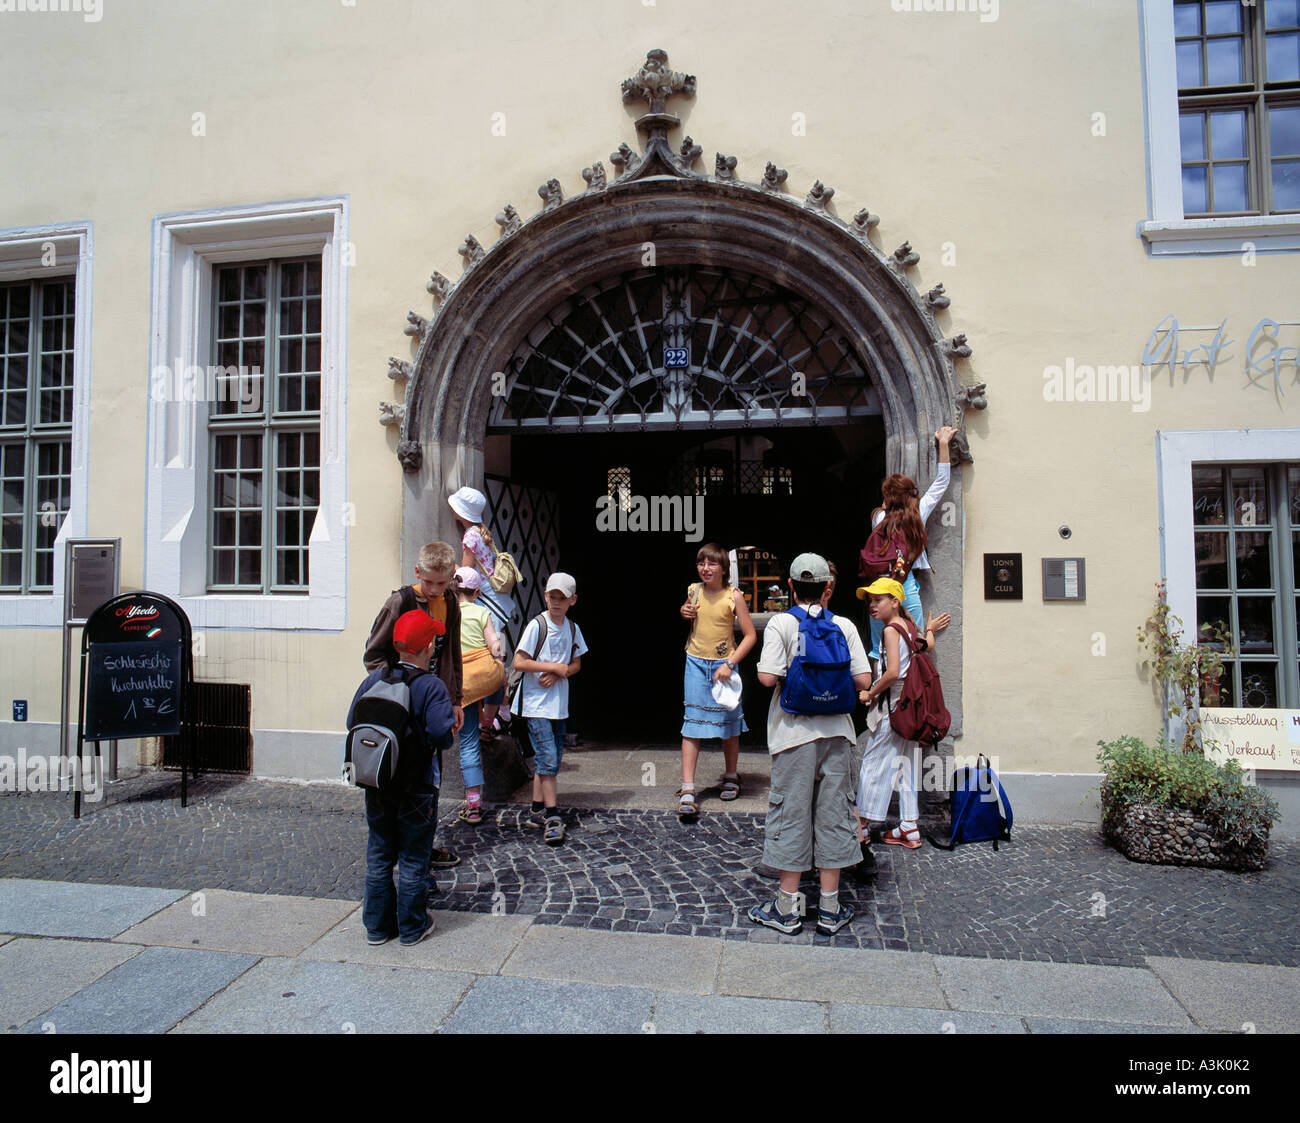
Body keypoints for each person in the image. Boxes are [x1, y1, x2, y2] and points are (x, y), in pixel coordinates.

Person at [750, 553, 874, 937]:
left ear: (789, 586)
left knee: (792, 813)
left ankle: (787, 908)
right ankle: (830, 908)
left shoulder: (782, 623)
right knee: (834, 814)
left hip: (793, 735)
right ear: (827, 588)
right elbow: (864, 679)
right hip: (837, 735)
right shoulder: (845, 625)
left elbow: (768, 678)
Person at [348, 611, 455, 946]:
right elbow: (442, 735)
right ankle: (411, 926)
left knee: (379, 853)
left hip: (377, 782)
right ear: (428, 647)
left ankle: (377, 928)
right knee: (413, 855)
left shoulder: (374, 679)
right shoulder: (431, 686)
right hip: (418, 786)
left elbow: (353, 720)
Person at [363, 541, 464, 870]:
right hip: (402, 710)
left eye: (443, 582)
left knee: (429, 781)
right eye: (430, 582)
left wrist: (456, 700)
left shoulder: (450, 601)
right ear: (418, 572)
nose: (435, 589)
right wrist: (401, 689)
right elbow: (373, 656)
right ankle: (405, 856)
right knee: (400, 781)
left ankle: (422, 847)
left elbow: (453, 654)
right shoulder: (401, 601)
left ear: (452, 578)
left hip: (433, 705)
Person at [855, 577, 951, 849]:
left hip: (894, 709)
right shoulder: (908, 626)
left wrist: (870, 693)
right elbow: (927, 646)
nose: (872, 606)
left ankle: (861, 826)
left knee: (873, 765)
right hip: (912, 710)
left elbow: (894, 671)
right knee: (906, 766)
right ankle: (909, 826)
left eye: (878, 600)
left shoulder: (889, 631)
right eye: (870, 601)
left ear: (895, 602)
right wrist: (929, 629)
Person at [861, 426, 958, 660]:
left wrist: (885, 507)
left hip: (879, 586)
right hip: (905, 580)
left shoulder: (878, 517)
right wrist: (943, 443)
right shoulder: (917, 513)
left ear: (887, 497)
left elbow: (884, 514)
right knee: (915, 640)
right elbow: (942, 481)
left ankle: (878, 691)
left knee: (878, 648)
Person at [678, 542, 757, 818]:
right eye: (701, 563)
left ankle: (732, 775)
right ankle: (688, 788)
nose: (705, 568)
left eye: (712, 564)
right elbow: (689, 612)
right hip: (696, 663)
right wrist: (684, 612)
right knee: (691, 725)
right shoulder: (693, 590)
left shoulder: (733, 596)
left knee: (728, 723)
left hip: (724, 665)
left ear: (724, 569)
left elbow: (750, 636)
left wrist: (730, 664)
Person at [512, 572, 587, 846]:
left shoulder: (572, 628)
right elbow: (519, 662)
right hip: (536, 705)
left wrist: (560, 673)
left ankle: (535, 810)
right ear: (545, 596)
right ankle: (553, 815)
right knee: (548, 759)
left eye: (562, 598)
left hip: (558, 705)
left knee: (549, 757)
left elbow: (576, 664)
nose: (556, 602)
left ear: (572, 600)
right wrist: (551, 667)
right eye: (552, 597)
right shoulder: (537, 625)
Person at [453, 567, 506, 825]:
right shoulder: (482, 612)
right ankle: (490, 722)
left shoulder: (449, 614)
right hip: (481, 679)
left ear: (454, 589)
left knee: (468, 742)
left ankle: (473, 806)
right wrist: (498, 655)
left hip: (462, 683)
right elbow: (495, 645)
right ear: (476, 592)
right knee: (498, 675)